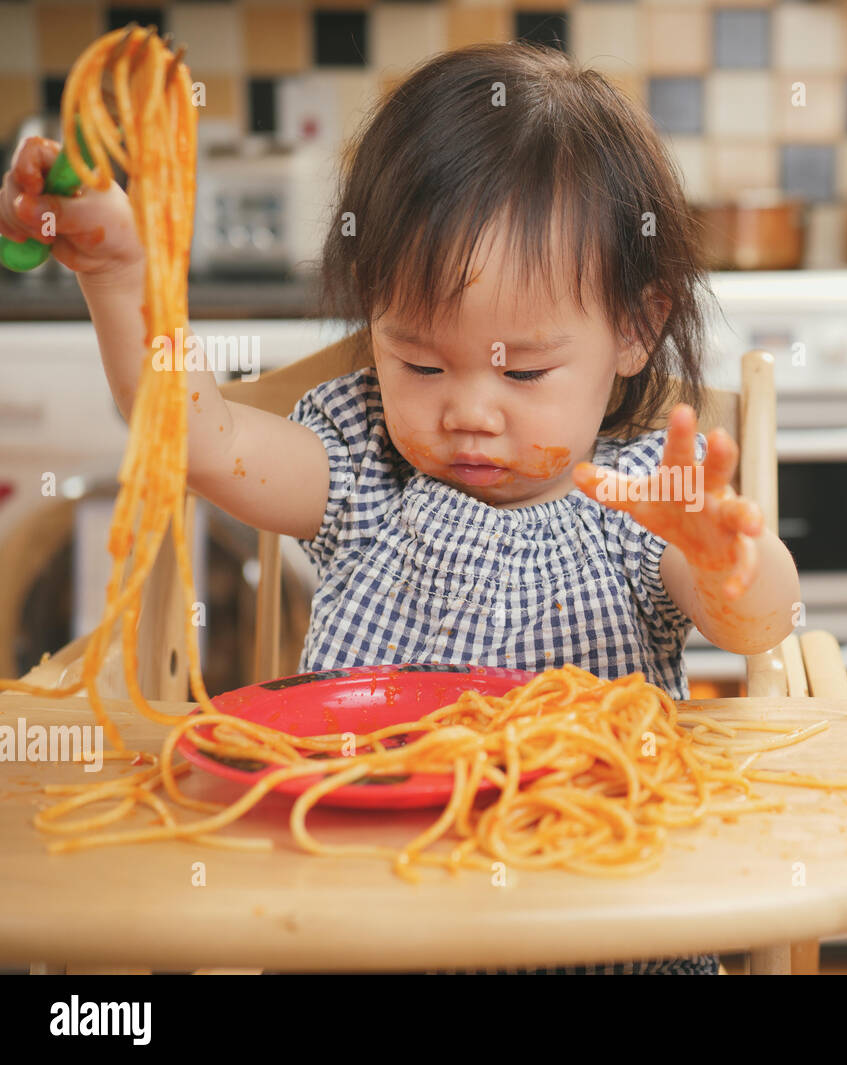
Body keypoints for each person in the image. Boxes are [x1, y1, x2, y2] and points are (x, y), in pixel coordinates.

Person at [0, 41, 800, 975]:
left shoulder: (634, 503)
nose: (467, 409)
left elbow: (759, 624)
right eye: (419, 363)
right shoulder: (360, 470)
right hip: (364, 923)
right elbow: (193, 437)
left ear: (634, 329)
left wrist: (723, 562)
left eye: (524, 370)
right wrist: (118, 277)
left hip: (603, 920)